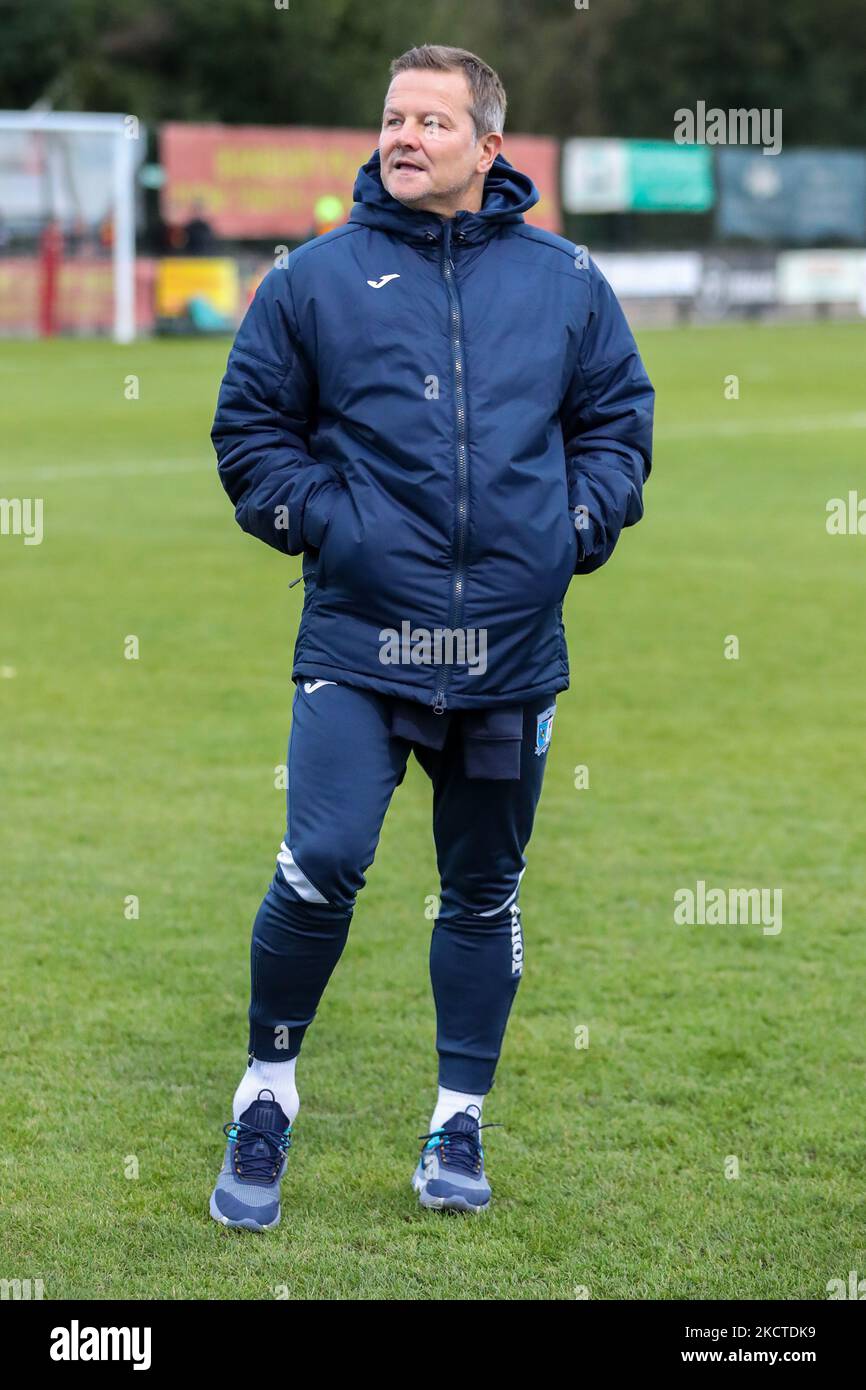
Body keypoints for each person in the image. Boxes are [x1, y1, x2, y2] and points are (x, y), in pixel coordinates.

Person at [209, 43, 654, 1229]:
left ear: (487, 146)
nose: (402, 136)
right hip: (363, 637)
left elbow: (618, 422)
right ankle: (267, 1093)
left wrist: (575, 523)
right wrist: (325, 523)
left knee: (482, 892)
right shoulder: (312, 280)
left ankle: (455, 1121)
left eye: (430, 122)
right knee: (326, 859)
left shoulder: (566, 282)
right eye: (392, 117)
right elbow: (250, 430)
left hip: (507, 649)